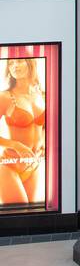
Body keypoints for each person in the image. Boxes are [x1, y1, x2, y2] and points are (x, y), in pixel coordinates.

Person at [0, 55, 46, 207]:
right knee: (20, 211)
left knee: (31, 214)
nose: (14, 66)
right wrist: (16, 145)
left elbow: (45, 127)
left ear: (30, 62)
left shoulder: (41, 95)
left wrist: (45, 143)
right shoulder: (5, 97)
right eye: (11, 63)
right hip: (10, 164)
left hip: (33, 164)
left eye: (19, 61)